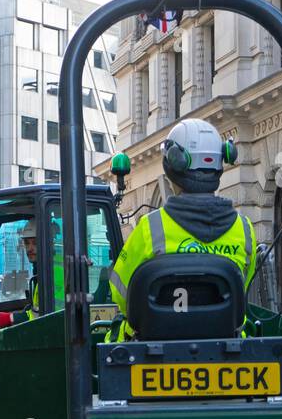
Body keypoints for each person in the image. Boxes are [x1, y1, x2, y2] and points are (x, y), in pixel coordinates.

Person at [108, 118, 257, 341]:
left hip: (153, 352)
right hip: (226, 350)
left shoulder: (150, 228)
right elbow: (242, 287)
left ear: (173, 165)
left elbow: (120, 293)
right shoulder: (244, 230)